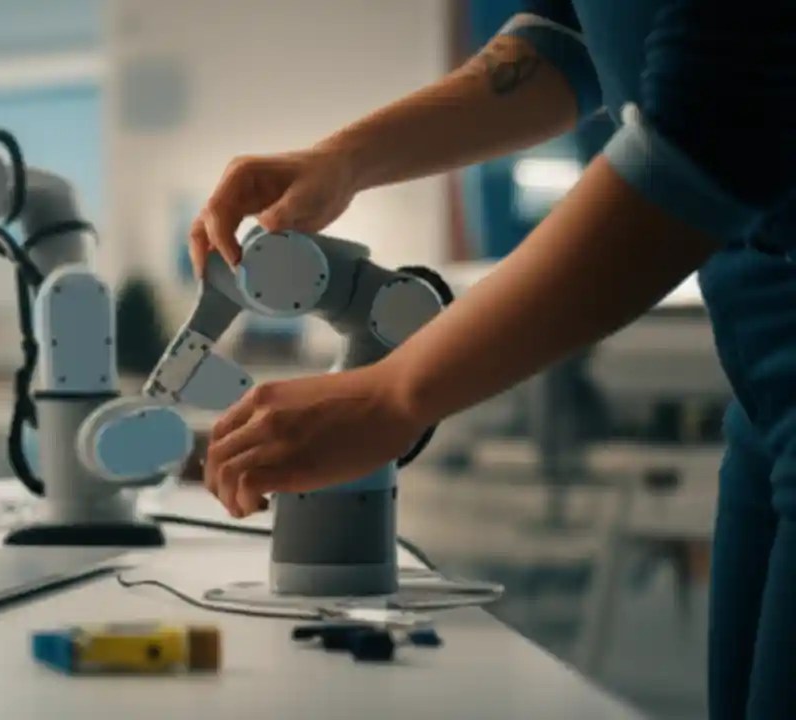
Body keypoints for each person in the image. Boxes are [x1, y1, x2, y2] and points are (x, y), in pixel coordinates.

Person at [190, 2, 796, 718]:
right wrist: (344, 160)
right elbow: (565, 41)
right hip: (759, 378)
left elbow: (712, 120)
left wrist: (393, 395)